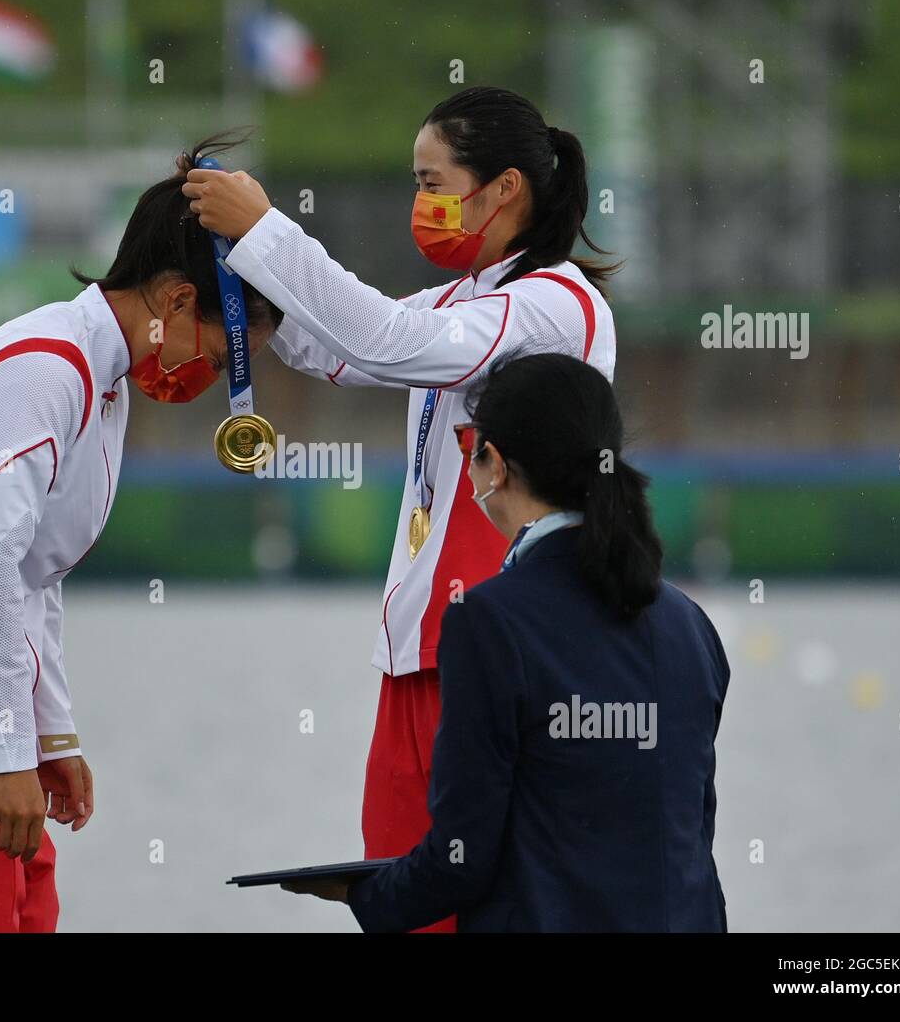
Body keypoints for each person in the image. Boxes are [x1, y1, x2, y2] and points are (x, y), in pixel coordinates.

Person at [184, 86, 618, 931]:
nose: (419, 204)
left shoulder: (556, 303)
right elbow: (336, 351)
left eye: (433, 181)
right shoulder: (460, 303)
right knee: (408, 915)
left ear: (504, 191)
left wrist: (268, 229)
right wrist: (232, 267)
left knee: (489, 909)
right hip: (416, 661)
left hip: (505, 661)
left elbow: (388, 339)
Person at [0, 137, 283, 932]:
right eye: (215, 356)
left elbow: (36, 581)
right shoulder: (42, 371)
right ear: (176, 301)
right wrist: (7, 756)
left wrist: (51, 734)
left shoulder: (102, 384)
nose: (205, 379)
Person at [283, 354, 730, 932]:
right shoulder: (691, 625)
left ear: (494, 465)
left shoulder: (486, 622)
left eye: (470, 452)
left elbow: (460, 857)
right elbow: (687, 834)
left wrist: (362, 895)